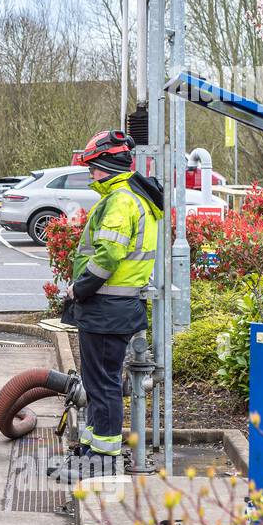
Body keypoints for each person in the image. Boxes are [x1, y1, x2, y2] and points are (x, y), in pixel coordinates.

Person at [50, 130, 163, 483]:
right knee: (100, 384)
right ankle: (90, 454)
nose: (91, 176)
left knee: (103, 387)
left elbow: (108, 255)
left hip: (106, 309)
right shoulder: (133, 198)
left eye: (93, 169)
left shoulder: (120, 201)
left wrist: (79, 289)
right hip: (115, 308)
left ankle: (100, 462)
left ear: (106, 167)